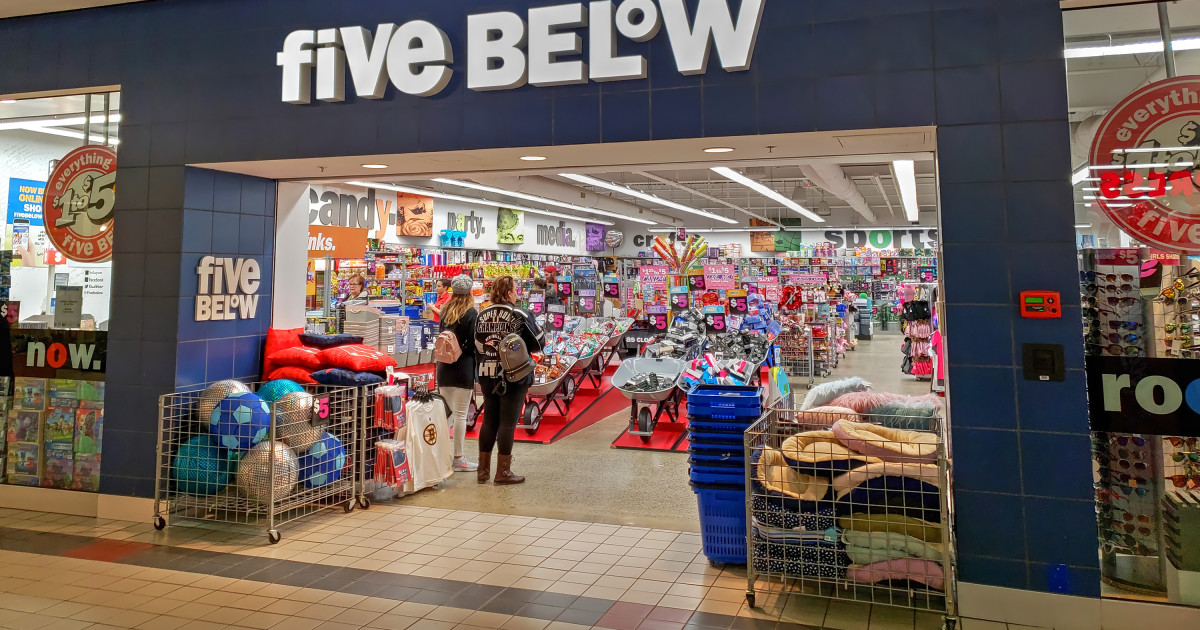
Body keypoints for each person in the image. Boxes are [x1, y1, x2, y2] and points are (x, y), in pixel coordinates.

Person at [473, 276, 543, 485]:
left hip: (486, 372)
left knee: (489, 420)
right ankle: (503, 472)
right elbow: (539, 342)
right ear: (509, 292)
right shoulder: (519, 313)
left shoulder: (482, 314)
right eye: (514, 289)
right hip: (514, 374)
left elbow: (477, 344)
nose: (517, 293)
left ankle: (482, 470)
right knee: (507, 423)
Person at [436, 275, 479, 472]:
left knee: (446, 414)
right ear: (469, 291)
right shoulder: (471, 313)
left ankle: (439, 455)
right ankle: (459, 458)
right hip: (463, 368)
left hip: (444, 367)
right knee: (461, 415)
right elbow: (473, 344)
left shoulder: (445, 311)